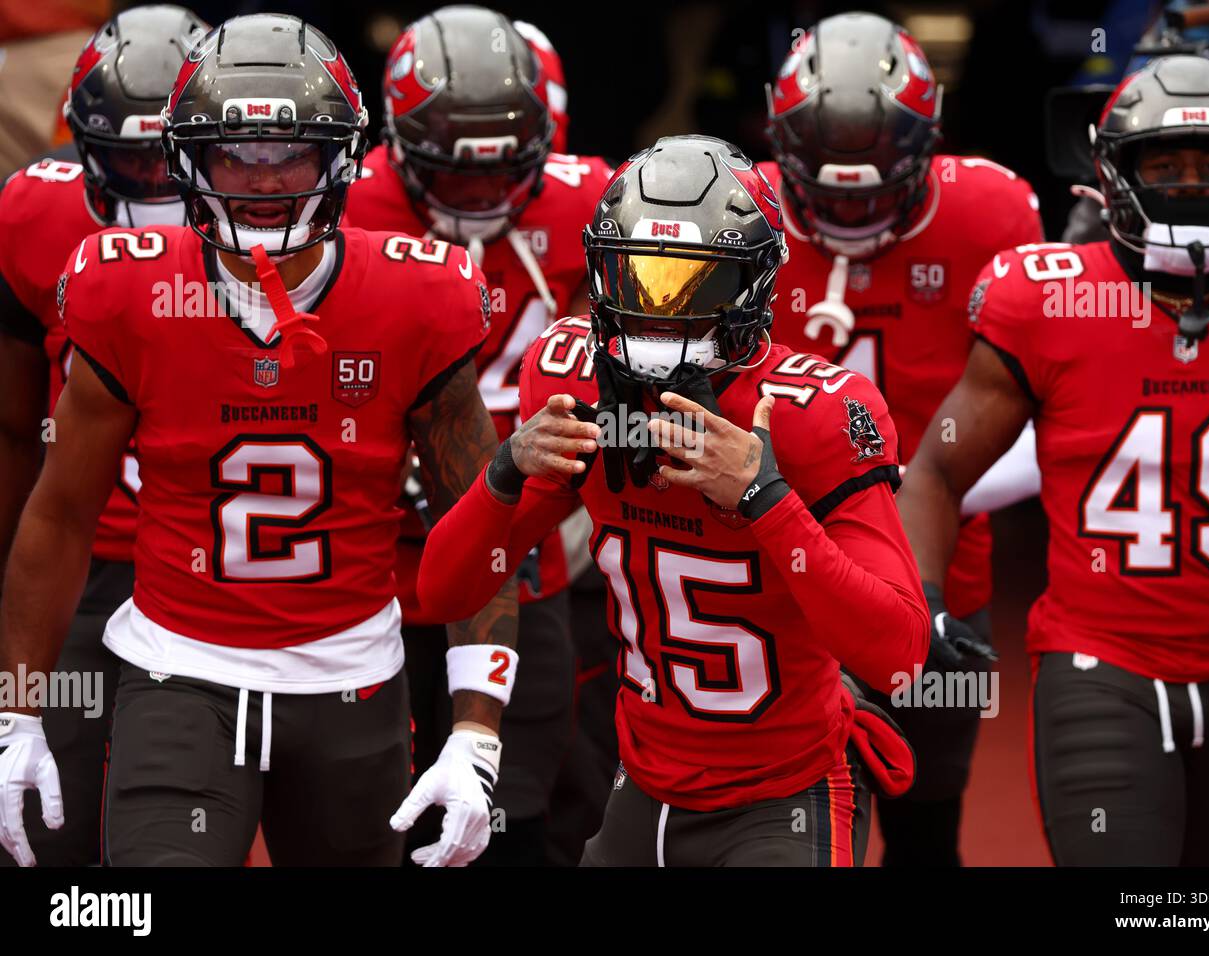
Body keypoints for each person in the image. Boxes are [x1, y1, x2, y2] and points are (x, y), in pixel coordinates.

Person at [0, 12, 515, 868]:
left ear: (342, 158)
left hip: (353, 680)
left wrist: (476, 731)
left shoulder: (417, 299)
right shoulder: (127, 289)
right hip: (178, 672)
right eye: (235, 153)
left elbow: (479, 532)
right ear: (190, 161)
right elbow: (59, 517)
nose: (263, 179)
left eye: (291, 154)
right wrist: (16, 711)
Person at [417, 134, 929, 866]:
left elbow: (903, 656)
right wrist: (503, 472)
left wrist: (765, 498)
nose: (657, 311)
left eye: (692, 284)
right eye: (637, 277)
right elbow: (444, 588)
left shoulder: (814, 413)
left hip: (781, 794)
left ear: (753, 285)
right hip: (642, 789)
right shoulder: (575, 379)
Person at [898, 55, 1209, 865]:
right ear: (1115, 172)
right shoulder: (1048, 296)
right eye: (1165, 162)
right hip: (1100, 665)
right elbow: (938, 467)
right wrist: (924, 600)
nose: (1190, 184)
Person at [762, 11, 1043, 866]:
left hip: (941, 572)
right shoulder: (740, 205)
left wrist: (925, 486)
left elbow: (1042, 404)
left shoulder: (989, 209)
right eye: (832, 186)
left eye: (875, 185)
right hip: (775, 569)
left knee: (925, 824)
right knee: (795, 828)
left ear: (929, 148)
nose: (851, 206)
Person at [344, 5, 612, 865]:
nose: (478, 197)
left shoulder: (587, 202)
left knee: (518, 805)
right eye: (452, 178)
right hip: (371, 548)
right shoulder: (344, 203)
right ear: (397, 143)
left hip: (522, 535)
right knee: (369, 809)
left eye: (499, 175)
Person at [0, 4, 208, 867]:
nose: (154, 181)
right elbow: (15, 422)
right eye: (128, 157)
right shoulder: (33, 214)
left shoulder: (287, 214)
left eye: (169, 156)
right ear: (81, 143)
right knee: (50, 824)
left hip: (222, 573)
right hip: (85, 560)